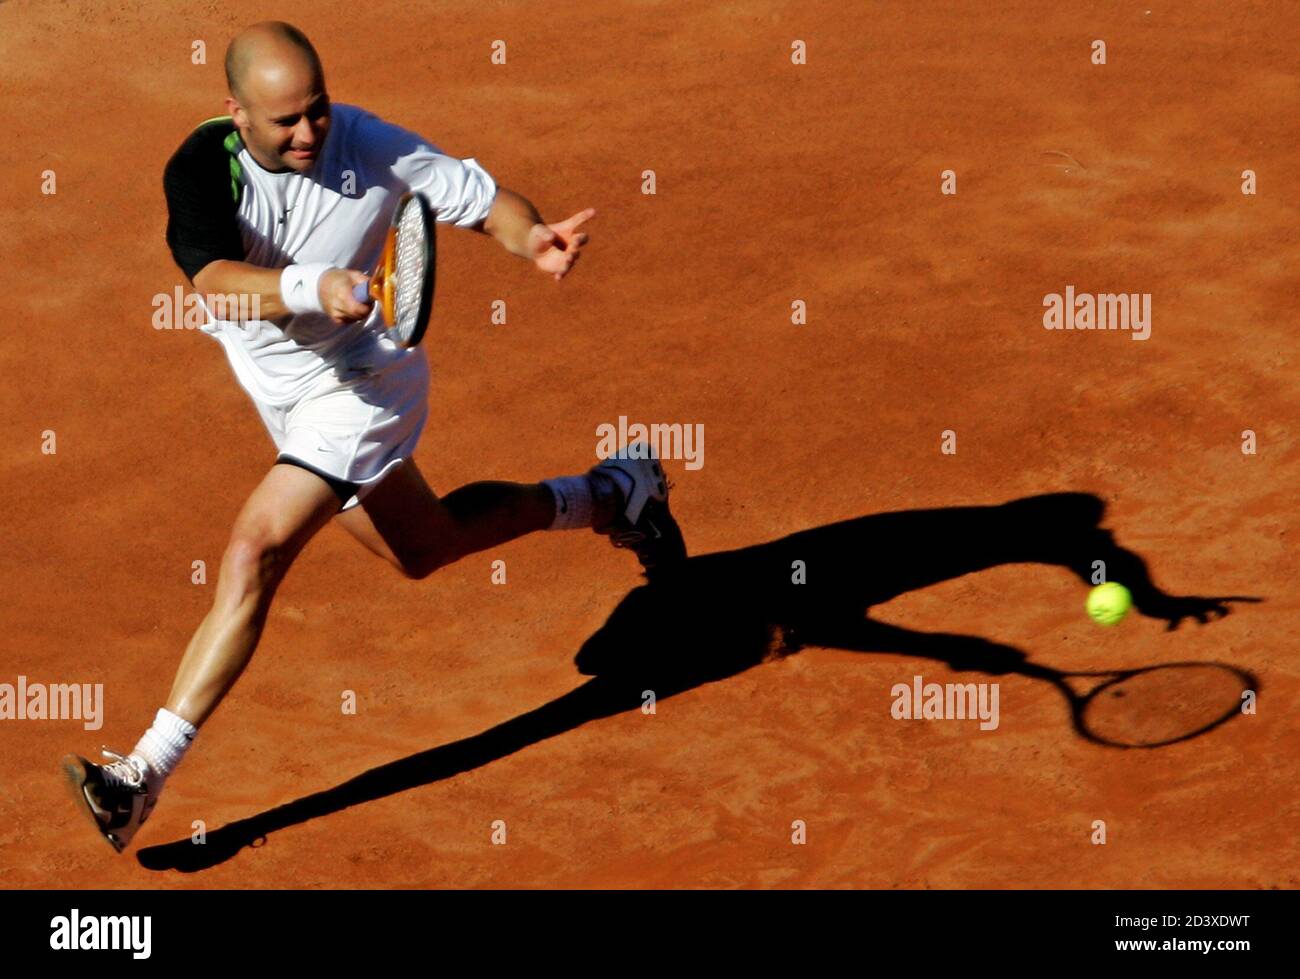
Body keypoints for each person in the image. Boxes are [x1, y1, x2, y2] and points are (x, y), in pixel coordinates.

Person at [61, 21, 686, 854]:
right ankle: (614, 493)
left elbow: (481, 198)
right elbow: (213, 279)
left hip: (363, 384)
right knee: (424, 547)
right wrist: (314, 284)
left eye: (316, 110)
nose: (309, 133)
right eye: (284, 121)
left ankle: (138, 779)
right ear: (234, 114)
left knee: (255, 549)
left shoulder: (368, 145)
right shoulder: (201, 169)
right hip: (284, 390)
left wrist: (531, 236)